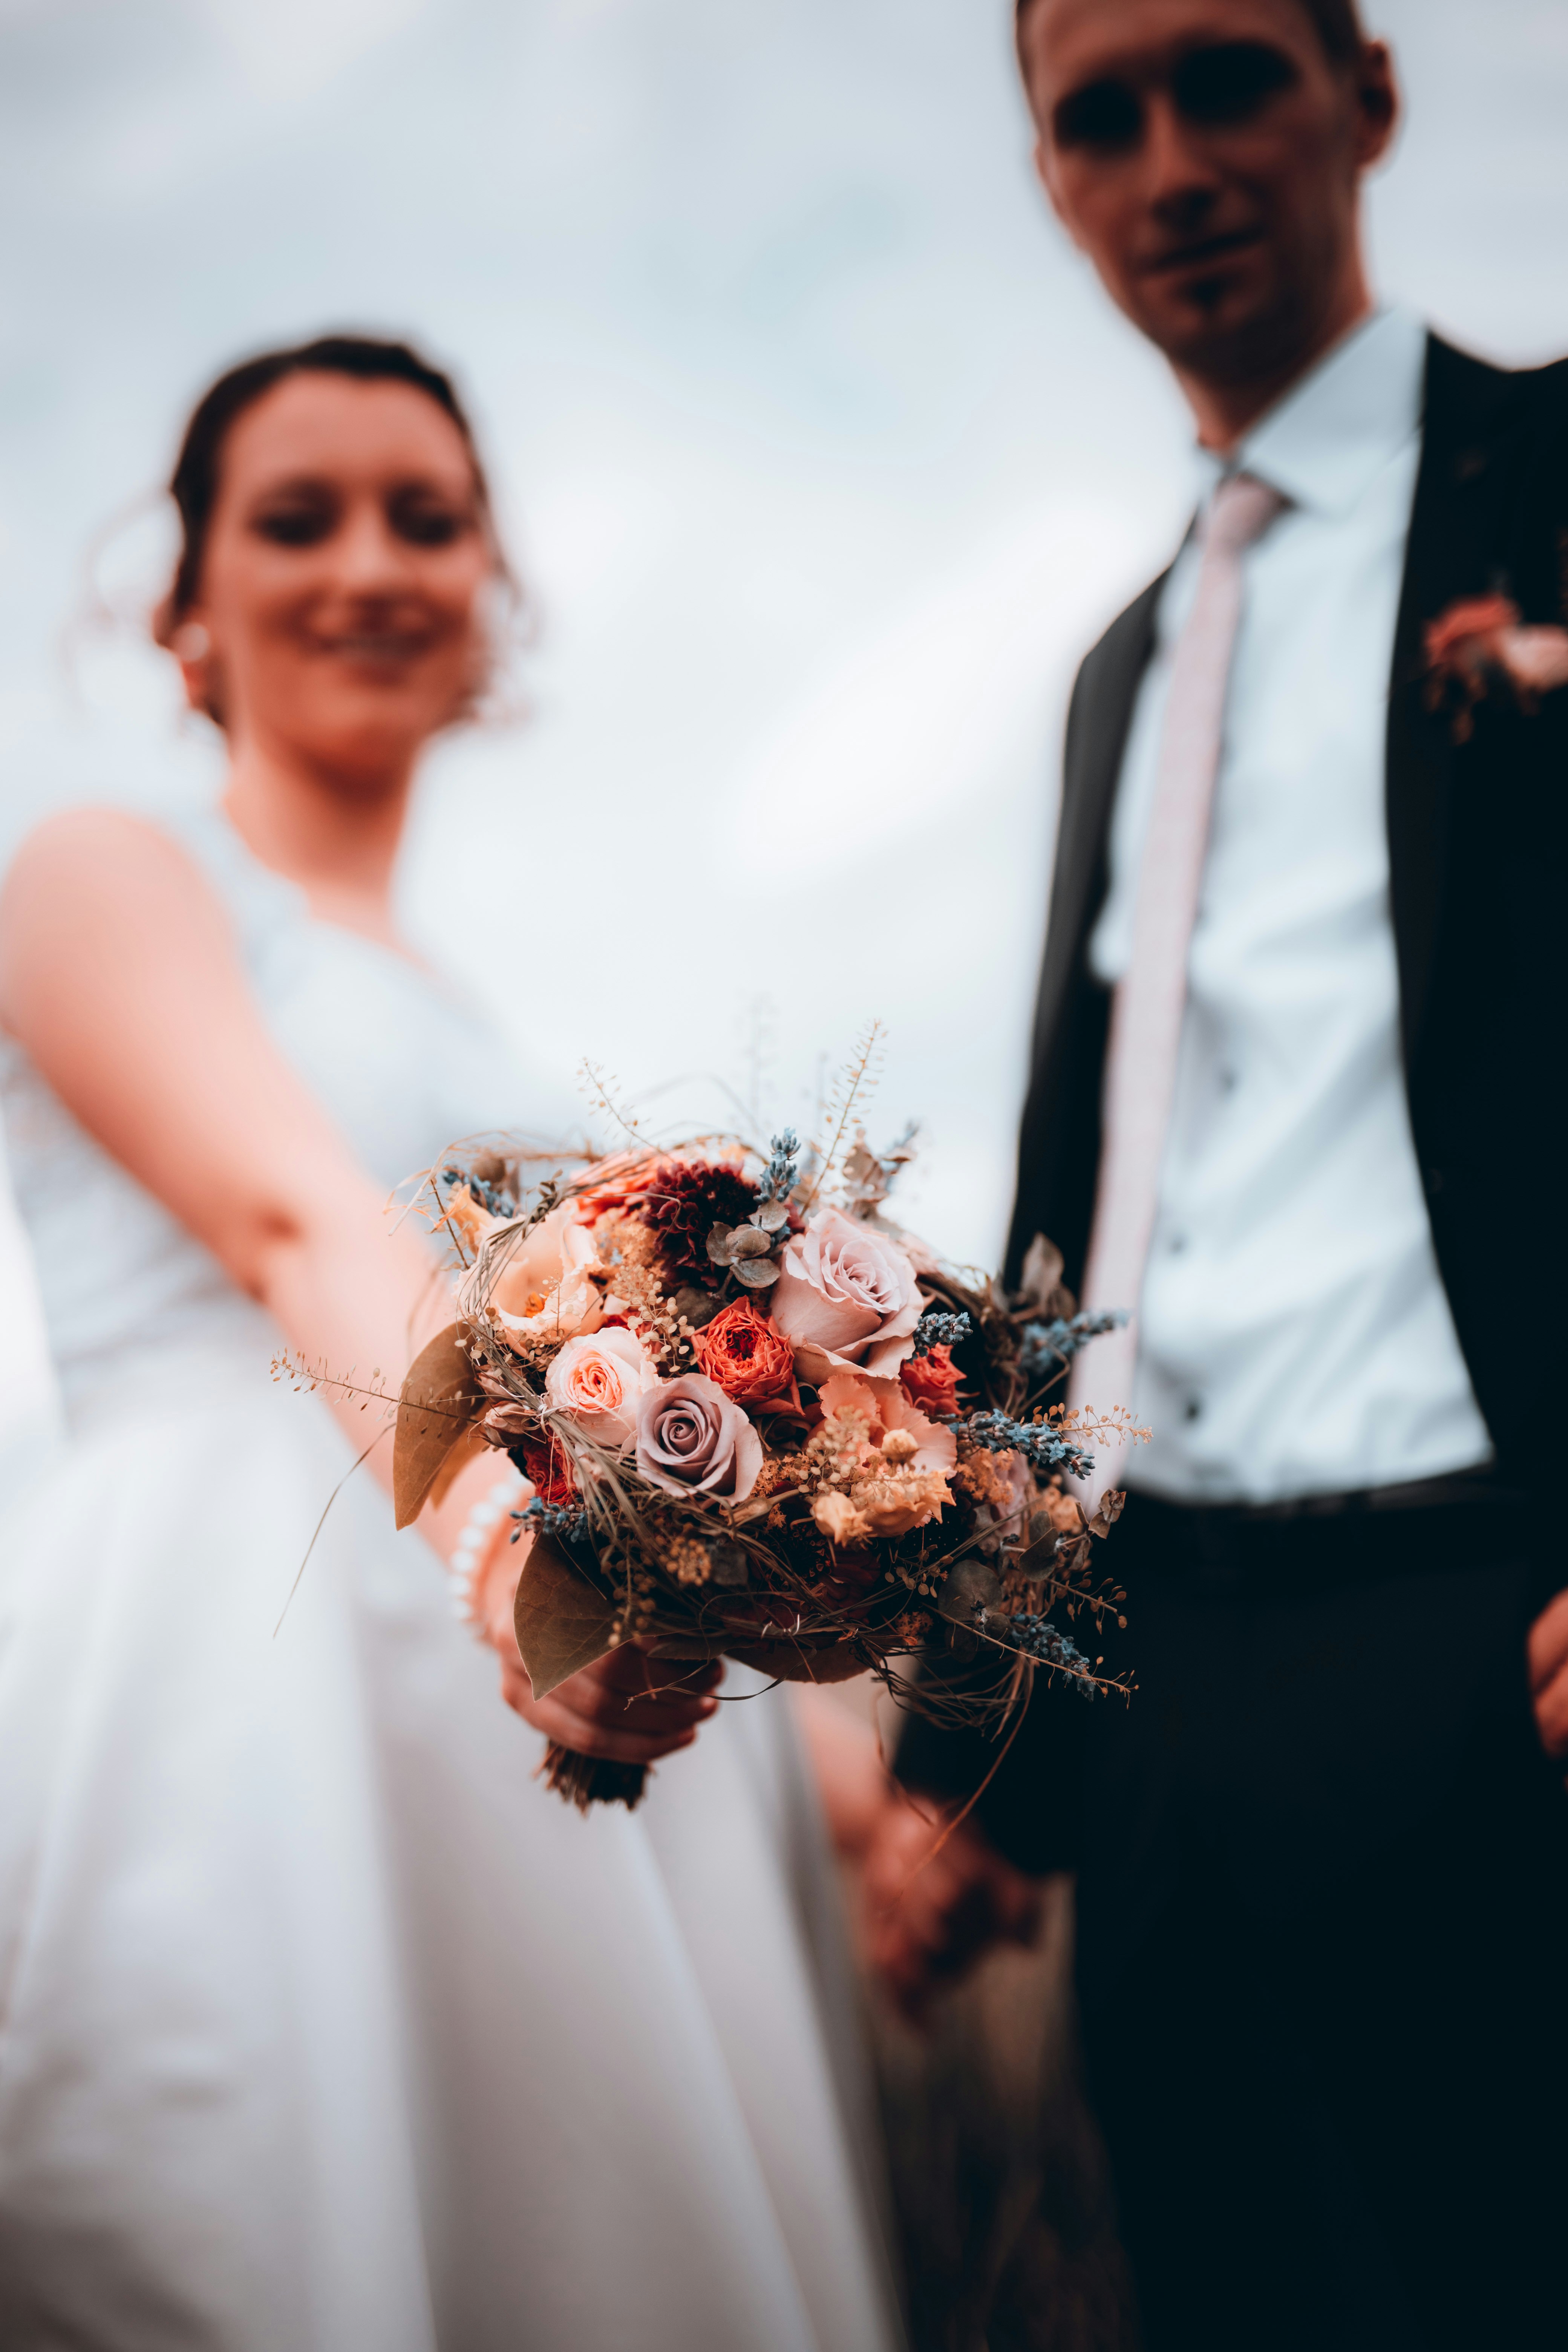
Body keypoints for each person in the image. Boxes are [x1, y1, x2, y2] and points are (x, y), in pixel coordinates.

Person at [0, 335, 904, 2352]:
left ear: (491, 590)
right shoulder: (101, 872)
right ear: (182, 609)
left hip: (551, 1682)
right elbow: (290, 1218)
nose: (371, 565)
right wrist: (515, 1567)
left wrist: (863, 1802)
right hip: (243, 1654)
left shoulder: (479, 1016)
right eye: (296, 519)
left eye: (429, 518)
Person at [871, 6, 1568, 2348]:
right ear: (1049, 179)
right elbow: (1103, 1197)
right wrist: (991, 1768)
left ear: (1368, 94)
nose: (1171, 162)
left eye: (1230, 80)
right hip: (1157, 1690)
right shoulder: (1118, 670)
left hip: (1509, 1637)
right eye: (1099, 117)